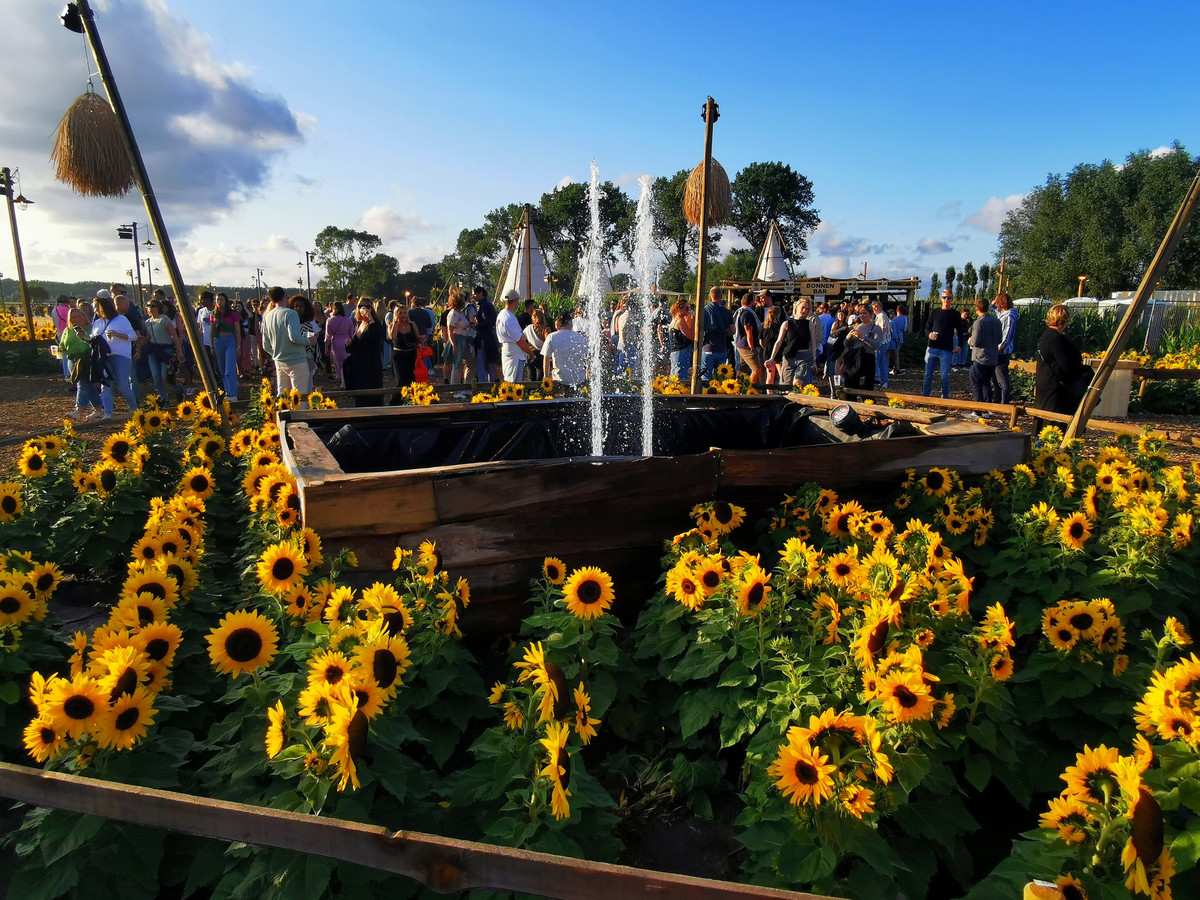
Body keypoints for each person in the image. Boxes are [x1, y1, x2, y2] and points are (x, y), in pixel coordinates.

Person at [1035, 304, 1088, 415]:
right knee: (1056, 425)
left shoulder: (1046, 335)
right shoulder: (1057, 340)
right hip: (1057, 389)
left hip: (1045, 383)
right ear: (1066, 320)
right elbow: (1067, 365)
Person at [91, 294, 138, 417]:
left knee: (122, 384)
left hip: (121, 355)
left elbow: (133, 336)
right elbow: (93, 340)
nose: (95, 310)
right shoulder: (97, 323)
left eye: (97, 307)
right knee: (105, 385)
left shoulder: (121, 319)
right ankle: (108, 414)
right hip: (104, 356)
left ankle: (133, 409)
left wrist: (118, 334)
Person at [262, 287, 312, 397]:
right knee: (299, 398)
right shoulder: (290, 313)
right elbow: (294, 336)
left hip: (279, 361)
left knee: (283, 398)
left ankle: (281, 415)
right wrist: (308, 340)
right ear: (285, 297)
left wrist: (278, 353)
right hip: (297, 360)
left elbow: (265, 345)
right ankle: (300, 415)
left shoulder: (267, 316)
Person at [922, 290, 967, 399]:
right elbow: (927, 328)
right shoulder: (934, 312)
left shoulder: (955, 314)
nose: (946, 300)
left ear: (952, 299)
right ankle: (925, 397)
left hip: (946, 348)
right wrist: (929, 335)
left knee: (944, 376)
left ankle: (945, 397)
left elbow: (960, 331)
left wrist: (959, 345)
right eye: (944, 297)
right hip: (932, 347)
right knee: (928, 375)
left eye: (949, 298)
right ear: (941, 299)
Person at [61, 307, 104, 419]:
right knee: (88, 386)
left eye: (79, 316)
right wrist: (60, 349)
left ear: (84, 317)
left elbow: (94, 342)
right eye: (73, 317)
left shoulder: (91, 328)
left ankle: (79, 410)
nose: (77, 319)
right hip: (72, 359)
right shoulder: (68, 330)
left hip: (86, 359)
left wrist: (83, 337)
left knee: (82, 384)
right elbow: (62, 345)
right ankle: (99, 409)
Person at [770, 299, 821, 387]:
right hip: (789, 357)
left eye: (807, 309)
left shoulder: (810, 324)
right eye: (803, 308)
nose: (804, 310)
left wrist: (814, 360)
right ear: (796, 308)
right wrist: (771, 358)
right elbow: (779, 341)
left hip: (804, 357)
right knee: (786, 386)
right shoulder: (786, 324)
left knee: (797, 384)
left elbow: (812, 342)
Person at [343, 298, 385, 405]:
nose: (364, 309)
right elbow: (355, 346)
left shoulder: (375, 324)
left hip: (371, 364)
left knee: (372, 395)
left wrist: (369, 318)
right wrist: (349, 344)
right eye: (361, 306)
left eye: (367, 306)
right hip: (358, 365)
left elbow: (374, 336)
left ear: (371, 308)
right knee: (360, 395)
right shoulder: (358, 324)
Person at [144, 297, 184, 405]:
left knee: (164, 375)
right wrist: (141, 340)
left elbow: (174, 335)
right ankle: (164, 398)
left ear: (158, 307)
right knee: (156, 376)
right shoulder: (148, 322)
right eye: (149, 306)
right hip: (153, 350)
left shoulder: (164, 319)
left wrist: (179, 350)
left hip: (165, 349)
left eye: (153, 306)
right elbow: (148, 336)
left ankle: (178, 389)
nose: (150, 308)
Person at [839, 307, 884, 393]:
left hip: (867, 359)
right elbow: (846, 344)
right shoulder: (856, 327)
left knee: (866, 388)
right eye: (860, 313)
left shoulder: (876, 328)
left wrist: (863, 337)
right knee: (850, 386)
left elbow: (876, 345)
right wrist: (848, 338)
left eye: (864, 313)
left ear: (871, 314)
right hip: (854, 360)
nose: (862, 315)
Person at [496, 289, 536, 382]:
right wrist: (531, 353)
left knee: (510, 380)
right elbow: (520, 341)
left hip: (507, 349)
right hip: (514, 352)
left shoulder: (502, 314)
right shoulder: (509, 318)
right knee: (514, 382)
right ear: (516, 300)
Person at [968, 296, 1002, 403]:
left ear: (977, 309)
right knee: (987, 383)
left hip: (980, 357)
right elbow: (1000, 339)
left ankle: (978, 409)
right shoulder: (996, 321)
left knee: (976, 382)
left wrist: (970, 340)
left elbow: (975, 341)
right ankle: (986, 408)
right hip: (992, 357)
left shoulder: (979, 323)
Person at [542, 312, 589, 385]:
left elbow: (546, 358)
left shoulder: (552, 337)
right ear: (571, 324)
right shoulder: (579, 337)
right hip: (579, 378)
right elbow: (587, 357)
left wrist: (546, 377)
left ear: (558, 324)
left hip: (559, 378)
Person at [212, 293, 242, 400]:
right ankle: (227, 392)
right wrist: (211, 345)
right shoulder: (213, 314)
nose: (219, 302)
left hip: (230, 340)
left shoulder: (233, 314)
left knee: (229, 369)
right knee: (222, 368)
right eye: (217, 300)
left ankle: (232, 394)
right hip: (218, 341)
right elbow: (212, 330)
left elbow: (237, 330)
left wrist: (238, 346)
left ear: (226, 301)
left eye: (221, 299)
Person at [701, 287, 733, 381]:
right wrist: (723, 333)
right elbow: (733, 330)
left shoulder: (705, 310)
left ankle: (705, 395)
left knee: (705, 377)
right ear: (721, 296)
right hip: (722, 348)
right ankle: (719, 395)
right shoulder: (727, 312)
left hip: (708, 347)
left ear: (711, 296)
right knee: (721, 378)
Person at [733, 293, 764, 383]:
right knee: (757, 369)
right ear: (751, 302)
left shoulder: (741, 311)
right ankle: (749, 388)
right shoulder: (748, 314)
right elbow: (748, 331)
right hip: (746, 345)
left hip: (740, 344)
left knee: (742, 367)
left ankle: (737, 386)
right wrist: (752, 346)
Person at [388, 304, 420, 393]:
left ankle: (412, 400)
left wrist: (422, 339)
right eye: (400, 313)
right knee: (401, 380)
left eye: (404, 313)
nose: (403, 315)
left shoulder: (412, 324)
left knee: (412, 379)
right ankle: (399, 401)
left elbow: (417, 337)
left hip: (411, 354)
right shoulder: (393, 326)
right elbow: (392, 337)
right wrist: (395, 322)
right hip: (399, 355)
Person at [992, 293, 1018, 404]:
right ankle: (997, 400)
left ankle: (1004, 402)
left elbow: (1007, 335)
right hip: (998, 349)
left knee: (1002, 378)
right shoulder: (1002, 314)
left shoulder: (1009, 316)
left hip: (1002, 351)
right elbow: (992, 307)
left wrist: (1001, 348)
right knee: (996, 378)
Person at [472, 286, 500, 383]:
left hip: (483, 337)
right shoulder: (487, 305)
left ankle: (483, 386)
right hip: (489, 337)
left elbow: (488, 321)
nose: (474, 296)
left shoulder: (484, 306)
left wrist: (477, 326)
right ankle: (491, 385)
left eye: (475, 293)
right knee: (488, 364)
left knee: (480, 364)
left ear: (481, 293)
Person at [289, 295, 320, 386]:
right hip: (294, 356)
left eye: (301, 306)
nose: (299, 309)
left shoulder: (309, 324)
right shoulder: (289, 323)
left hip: (308, 355)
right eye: (296, 306)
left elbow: (311, 340)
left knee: (309, 380)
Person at [445, 288, 472, 384]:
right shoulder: (453, 314)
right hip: (457, 339)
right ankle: (455, 387)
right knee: (457, 365)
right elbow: (450, 330)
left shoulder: (460, 313)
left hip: (464, 339)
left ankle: (466, 385)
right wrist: (454, 345)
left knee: (468, 363)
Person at [323, 301, 353, 383]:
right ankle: (346, 379)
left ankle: (340, 376)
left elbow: (328, 336)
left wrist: (326, 347)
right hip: (347, 342)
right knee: (346, 361)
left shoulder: (329, 320)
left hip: (336, 343)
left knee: (338, 362)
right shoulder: (348, 320)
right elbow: (351, 334)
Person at [669, 298, 695, 382]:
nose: (688, 311)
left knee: (674, 377)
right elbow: (691, 336)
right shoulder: (680, 320)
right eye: (687, 308)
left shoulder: (674, 319)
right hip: (681, 352)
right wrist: (693, 322)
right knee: (680, 379)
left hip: (675, 352)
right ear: (680, 309)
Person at [523, 309, 550, 381]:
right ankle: (538, 391)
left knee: (530, 377)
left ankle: (529, 391)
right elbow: (548, 342)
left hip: (529, 353)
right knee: (539, 378)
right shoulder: (546, 329)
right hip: (540, 355)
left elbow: (523, 339)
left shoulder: (528, 329)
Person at [761, 306, 785, 385]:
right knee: (782, 374)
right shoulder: (780, 325)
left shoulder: (764, 325)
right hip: (778, 352)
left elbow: (760, 341)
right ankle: (783, 391)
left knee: (770, 375)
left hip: (767, 351)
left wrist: (765, 347)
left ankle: (769, 393)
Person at [890, 303, 908, 376]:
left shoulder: (894, 320)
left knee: (894, 354)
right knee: (897, 354)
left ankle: (896, 369)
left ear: (897, 311)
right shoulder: (905, 319)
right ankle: (896, 368)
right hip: (901, 337)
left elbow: (892, 329)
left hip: (894, 338)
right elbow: (905, 329)